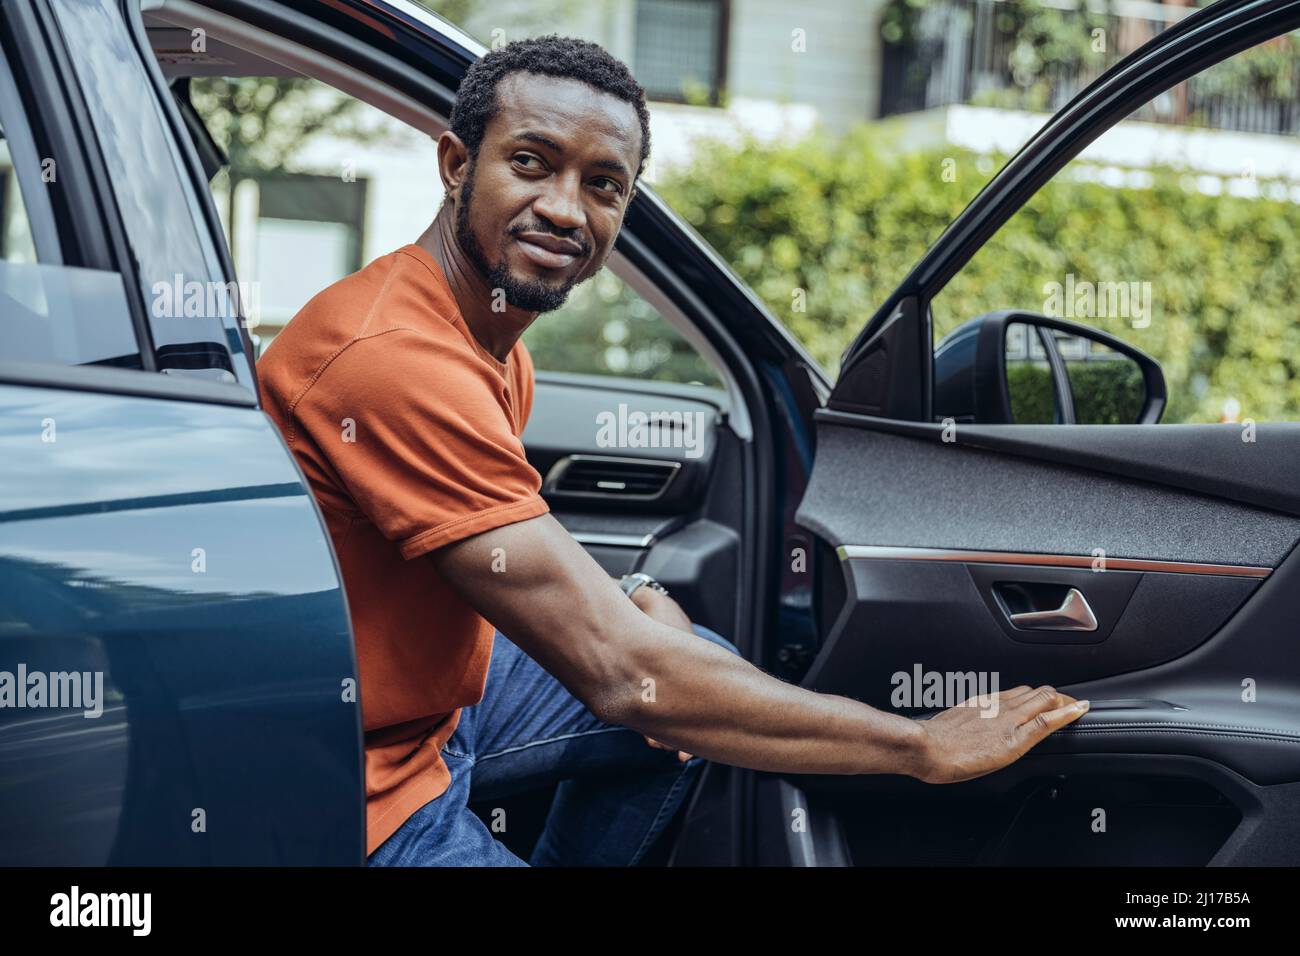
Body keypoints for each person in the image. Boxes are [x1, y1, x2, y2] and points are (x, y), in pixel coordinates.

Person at [257, 35, 1088, 866]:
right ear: (454, 163)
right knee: (661, 686)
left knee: (696, 668)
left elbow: (507, 540)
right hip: (343, 777)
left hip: (431, 715)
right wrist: (919, 746)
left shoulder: (491, 343)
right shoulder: (393, 357)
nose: (565, 209)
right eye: (531, 162)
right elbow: (620, 671)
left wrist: (637, 592)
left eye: (603, 184)